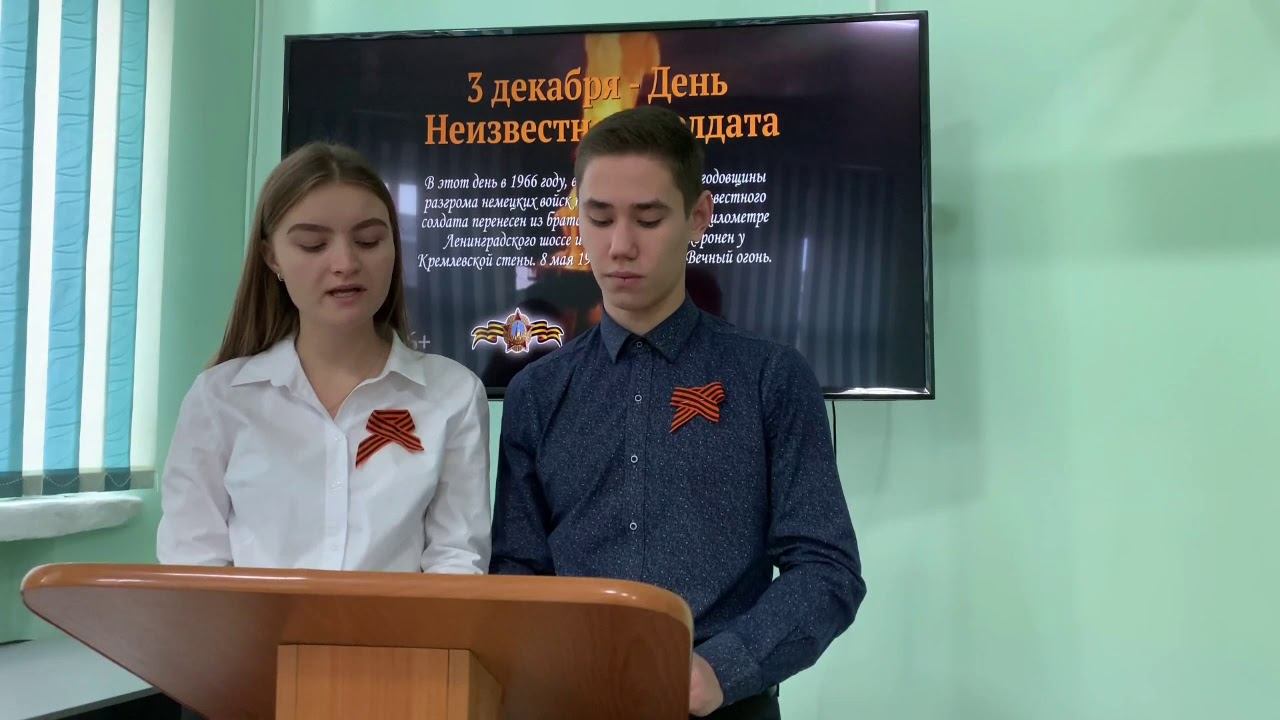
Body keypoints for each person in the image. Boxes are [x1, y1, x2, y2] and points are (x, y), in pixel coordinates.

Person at [489, 106, 866, 719]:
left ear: (698, 217)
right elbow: (517, 568)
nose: (620, 245)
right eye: (599, 218)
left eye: (649, 218)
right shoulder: (536, 391)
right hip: (572, 701)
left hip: (725, 705)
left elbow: (826, 568)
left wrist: (721, 668)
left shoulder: (770, 377)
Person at [156, 142, 490, 574]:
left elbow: (457, 560)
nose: (345, 263)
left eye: (369, 241)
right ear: (272, 257)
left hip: (400, 622)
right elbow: (192, 567)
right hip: (252, 623)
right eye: (313, 245)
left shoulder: (453, 394)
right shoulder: (219, 399)